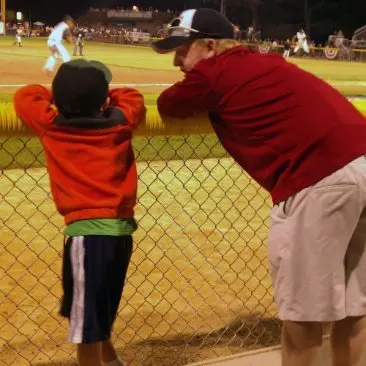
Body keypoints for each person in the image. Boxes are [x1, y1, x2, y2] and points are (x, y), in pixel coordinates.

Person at [152, 8, 366, 366]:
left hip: (320, 179)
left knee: (304, 318)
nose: (176, 60)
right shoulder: (260, 61)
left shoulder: (214, 71)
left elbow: (169, 104)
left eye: (180, 49)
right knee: (356, 307)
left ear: (208, 45)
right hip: (361, 160)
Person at [14, 59, 145, 366]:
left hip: (86, 237)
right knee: (101, 309)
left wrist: (54, 96)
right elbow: (134, 97)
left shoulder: (51, 125)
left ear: (59, 102)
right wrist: (108, 98)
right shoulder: (120, 122)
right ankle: (111, 361)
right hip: (120, 233)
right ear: (103, 100)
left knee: (86, 325)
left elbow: (25, 97)